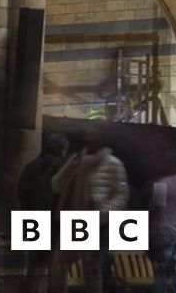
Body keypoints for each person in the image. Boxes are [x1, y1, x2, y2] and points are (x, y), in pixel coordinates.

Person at [50, 124, 129, 293]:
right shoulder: (77, 160)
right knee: (59, 265)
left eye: (94, 135)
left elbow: (121, 196)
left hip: (97, 225)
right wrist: (70, 166)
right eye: (87, 135)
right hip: (74, 222)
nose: (89, 139)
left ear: (103, 139)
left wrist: (101, 214)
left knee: (92, 269)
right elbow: (56, 185)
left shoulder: (113, 164)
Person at [18, 134, 68, 293]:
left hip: (30, 219)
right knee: (55, 266)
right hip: (53, 221)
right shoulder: (61, 166)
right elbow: (63, 195)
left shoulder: (30, 166)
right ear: (61, 149)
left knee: (33, 265)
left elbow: (21, 191)